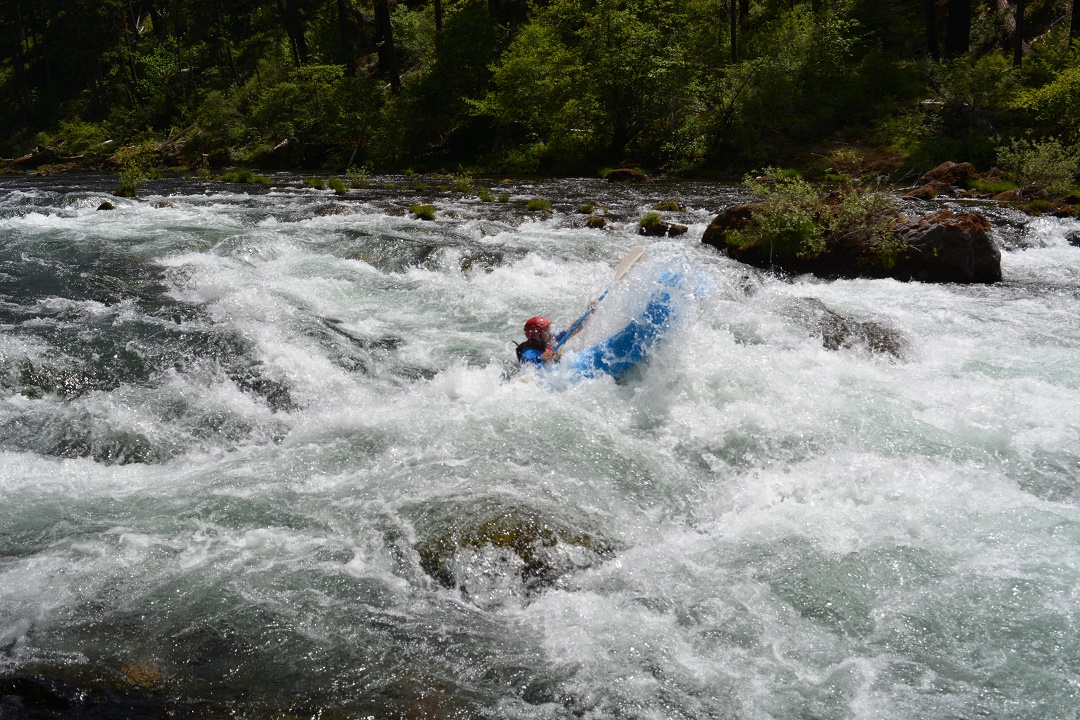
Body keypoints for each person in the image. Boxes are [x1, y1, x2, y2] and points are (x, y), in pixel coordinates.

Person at [516, 304, 595, 366]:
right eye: (546, 331)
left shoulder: (549, 340)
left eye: (549, 329)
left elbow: (573, 329)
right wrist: (543, 359)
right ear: (536, 336)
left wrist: (589, 313)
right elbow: (530, 372)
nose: (550, 333)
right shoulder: (528, 354)